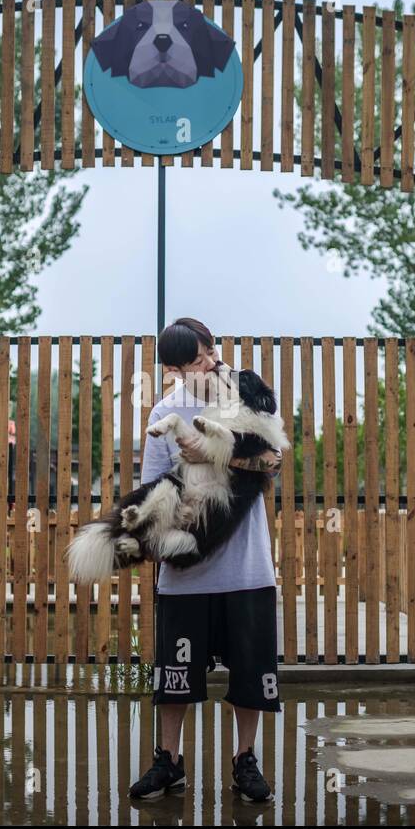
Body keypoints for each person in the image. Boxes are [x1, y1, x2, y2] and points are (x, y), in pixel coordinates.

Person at [128, 318, 284, 803]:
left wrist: (216, 455)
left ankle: (245, 760)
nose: (212, 362)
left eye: (211, 350)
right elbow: (155, 488)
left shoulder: (245, 389)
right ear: (174, 369)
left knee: (250, 671)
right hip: (187, 571)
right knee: (176, 678)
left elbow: (274, 460)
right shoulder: (165, 411)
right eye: (198, 359)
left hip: (247, 567)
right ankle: (168, 761)